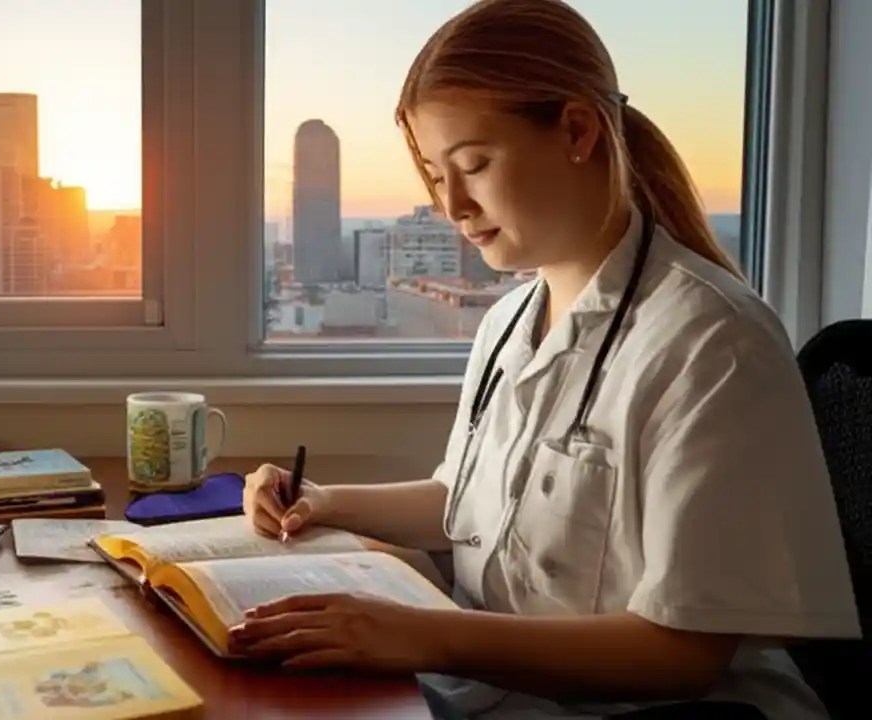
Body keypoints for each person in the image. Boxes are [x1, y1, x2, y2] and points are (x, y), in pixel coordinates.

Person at [230, 0, 861, 717]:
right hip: (497, 697)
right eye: (437, 176)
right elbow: (468, 505)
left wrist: (428, 637)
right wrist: (324, 502)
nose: (453, 206)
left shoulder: (713, 343)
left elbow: (682, 655)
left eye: (473, 164)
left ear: (578, 130)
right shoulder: (508, 322)